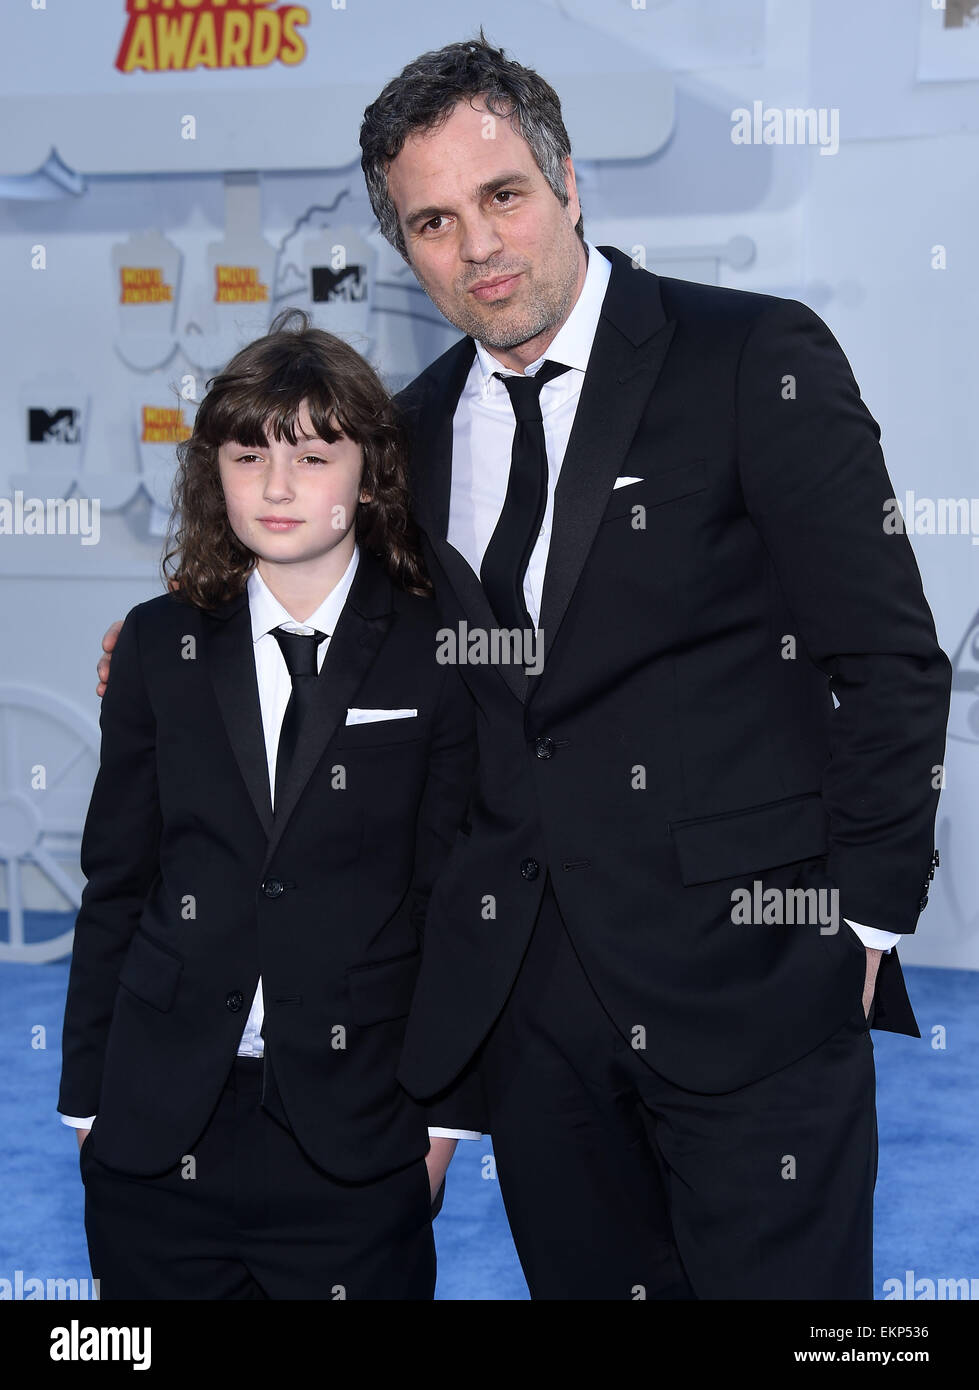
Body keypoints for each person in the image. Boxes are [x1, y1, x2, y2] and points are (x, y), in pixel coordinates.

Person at [98, 33, 953, 1300]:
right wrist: (180, 626)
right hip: (530, 1005)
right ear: (405, 249)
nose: (477, 247)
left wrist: (864, 924)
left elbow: (884, 652)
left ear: (565, 185)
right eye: (432, 221)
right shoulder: (415, 430)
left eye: (500, 197)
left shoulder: (750, 356)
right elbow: (335, 596)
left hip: (753, 976)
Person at [60, 309, 481, 1300]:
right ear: (218, 475)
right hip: (159, 1127)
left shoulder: (436, 646)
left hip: (356, 1127)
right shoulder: (159, 644)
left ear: (368, 476)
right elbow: (116, 882)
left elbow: (453, 897)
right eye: (249, 456)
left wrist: (443, 1124)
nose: (279, 486)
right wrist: (87, 1102)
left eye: (313, 455)